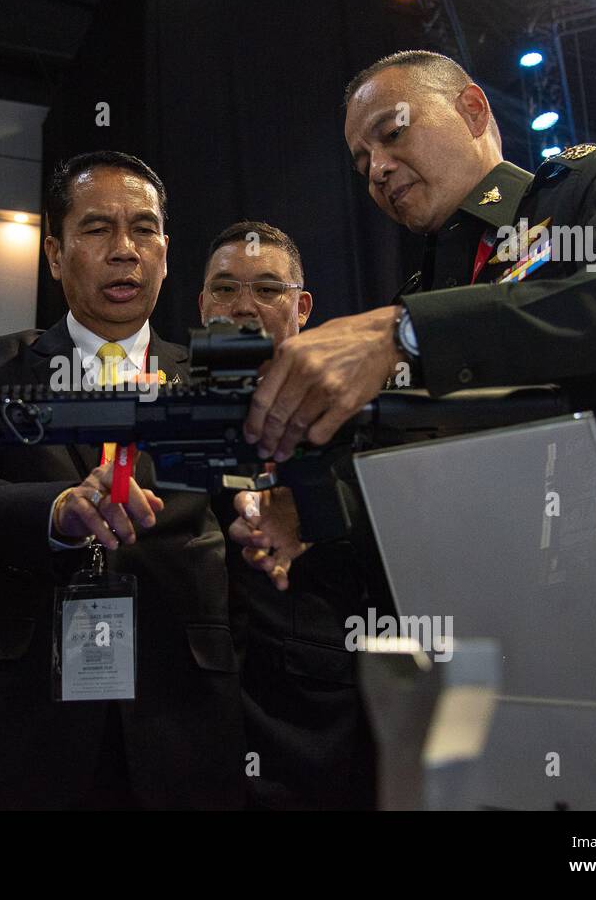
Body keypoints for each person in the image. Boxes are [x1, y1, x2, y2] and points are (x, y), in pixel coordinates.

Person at [234, 49, 596, 808]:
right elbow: (428, 477)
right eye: (361, 157)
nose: (375, 167)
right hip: (466, 668)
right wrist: (313, 510)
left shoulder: (587, 190)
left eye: (391, 132)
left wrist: (407, 333)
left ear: (473, 110)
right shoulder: (427, 291)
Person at [0, 150, 246, 809]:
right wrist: (56, 511)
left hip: (183, 706)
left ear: (166, 249)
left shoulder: (214, 377)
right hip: (30, 707)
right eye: (97, 229)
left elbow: (248, 512)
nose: (125, 251)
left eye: (144, 228)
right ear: (54, 253)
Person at [198, 220, 376, 809]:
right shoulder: (162, 397)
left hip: (315, 724)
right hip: (185, 714)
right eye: (224, 289)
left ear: (301, 307)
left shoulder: (357, 407)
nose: (244, 306)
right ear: (202, 305)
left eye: (267, 289)